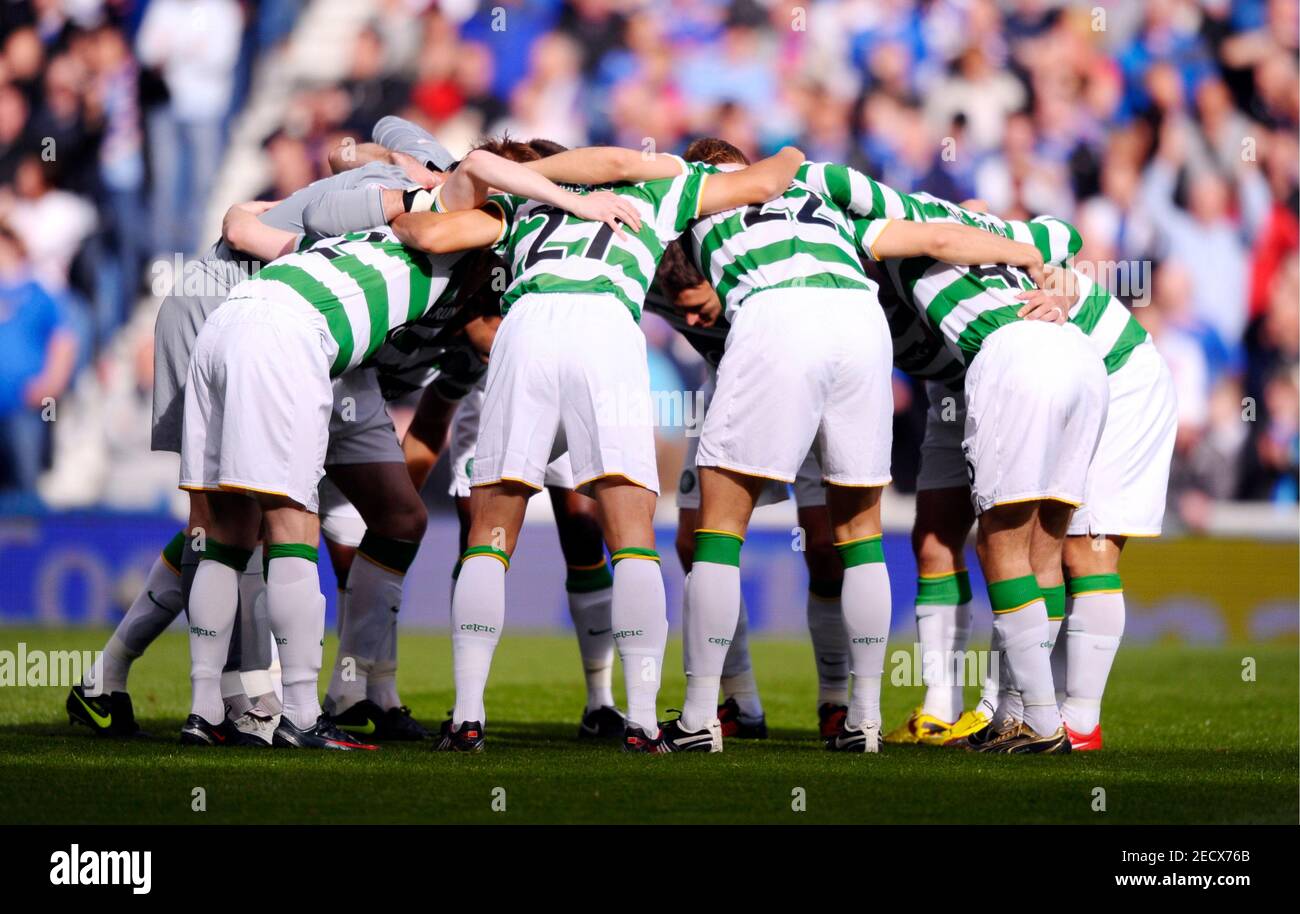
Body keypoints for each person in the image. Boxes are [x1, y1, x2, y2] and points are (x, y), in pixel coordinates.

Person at [391, 141, 806, 751]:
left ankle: (467, 716)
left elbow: (428, 235)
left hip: (526, 326)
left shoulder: (520, 201)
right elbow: (766, 181)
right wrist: (794, 151)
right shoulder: (664, 185)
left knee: (490, 529)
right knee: (631, 534)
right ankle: (639, 720)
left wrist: (406, 206)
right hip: (606, 328)